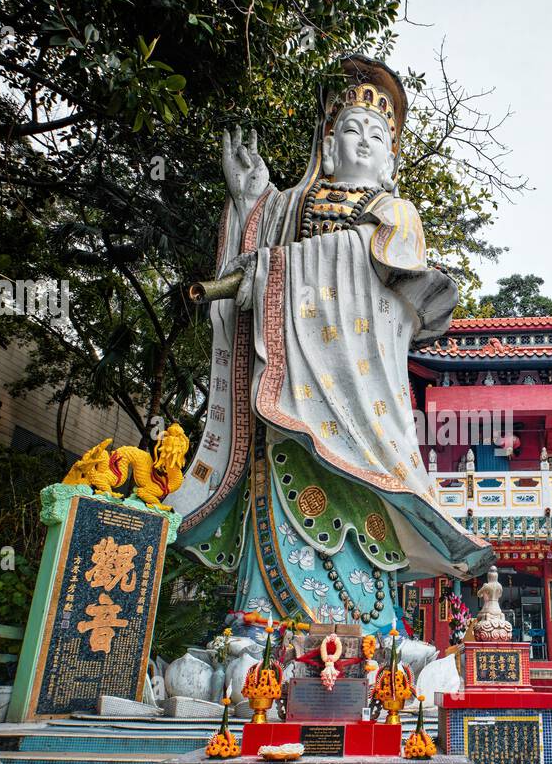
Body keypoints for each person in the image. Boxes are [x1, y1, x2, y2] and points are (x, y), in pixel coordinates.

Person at [168, 57, 493, 628]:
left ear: (391, 158)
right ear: (327, 144)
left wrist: (276, 272)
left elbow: (393, 295)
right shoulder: (291, 207)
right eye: (350, 129)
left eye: (378, 136)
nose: (363, 143)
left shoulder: (396, 214)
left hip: (355, 400)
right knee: (281, 490)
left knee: (356, 502)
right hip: (285, 385)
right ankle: (258, 629)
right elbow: (249, 259)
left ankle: (371, 633)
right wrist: (248, 198)